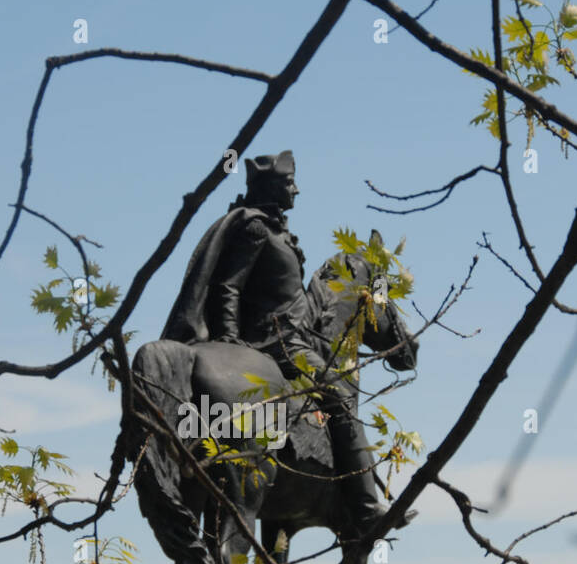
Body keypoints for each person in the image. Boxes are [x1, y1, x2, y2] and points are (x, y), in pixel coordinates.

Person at [161, 150, 411, 530]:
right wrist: (229, 337)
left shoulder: (277, 232)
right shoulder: (257, 228)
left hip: (292, 335)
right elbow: (228, 285)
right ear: (272, 188)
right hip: (279, 343)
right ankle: (365, 505)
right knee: (340, 399)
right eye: (289, 183)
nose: (296, 190)